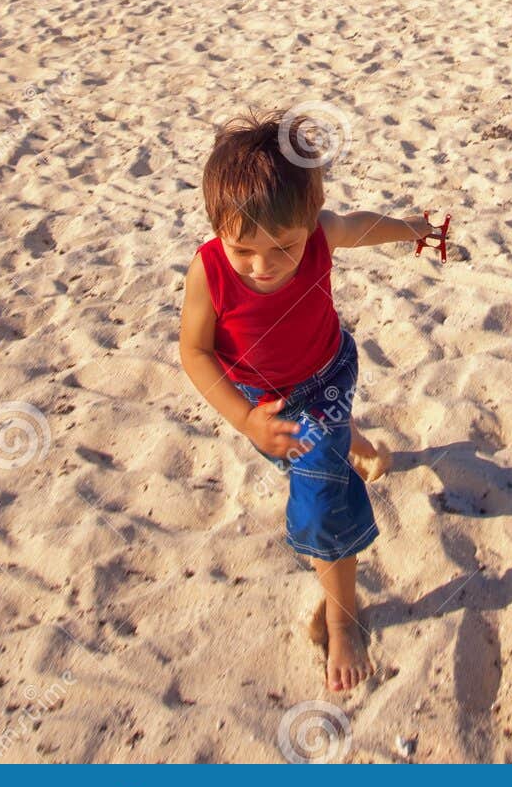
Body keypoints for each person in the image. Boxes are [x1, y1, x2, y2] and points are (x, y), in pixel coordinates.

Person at [179, 110, 442, 692]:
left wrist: (409, 229)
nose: (263, 266)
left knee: (322, 503)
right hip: (261, 400)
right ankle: (350, 441)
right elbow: (195, 352)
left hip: (327, 374)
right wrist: (246, 418)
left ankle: (343, 617)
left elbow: (360, 226)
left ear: (306, 224)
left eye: (284, 248)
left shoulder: (321, 233)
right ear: (218, 224)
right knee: (318, 456)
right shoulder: (209, 270)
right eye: (244, 248)